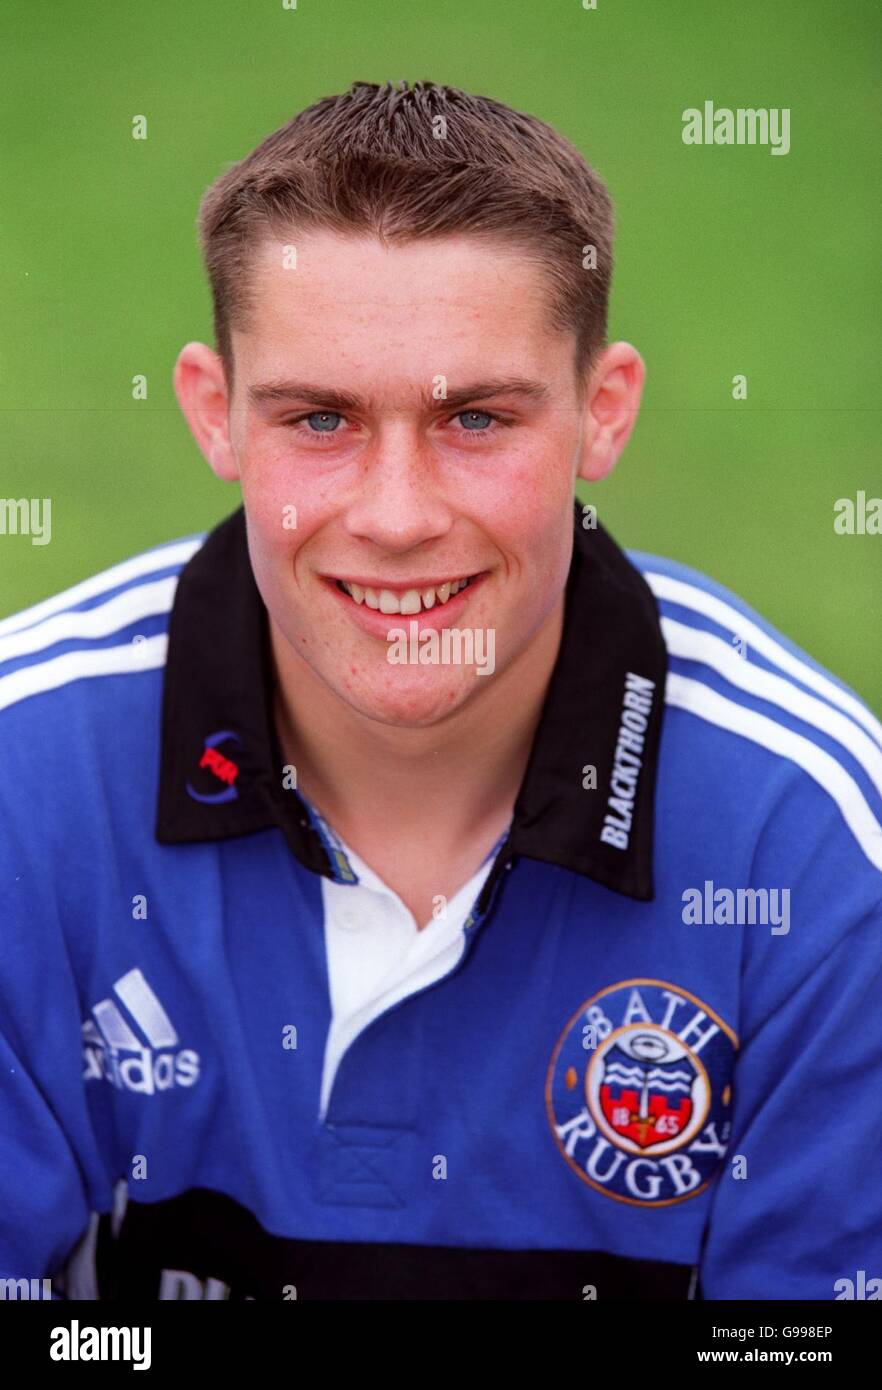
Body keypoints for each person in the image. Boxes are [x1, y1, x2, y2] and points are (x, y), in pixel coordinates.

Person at [0, 80, 879, 1302]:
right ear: (216, 414)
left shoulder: (824, 852)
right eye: (319, 418)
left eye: (474, 417)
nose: (399, 516)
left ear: (599, 413)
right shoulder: (22, 779)